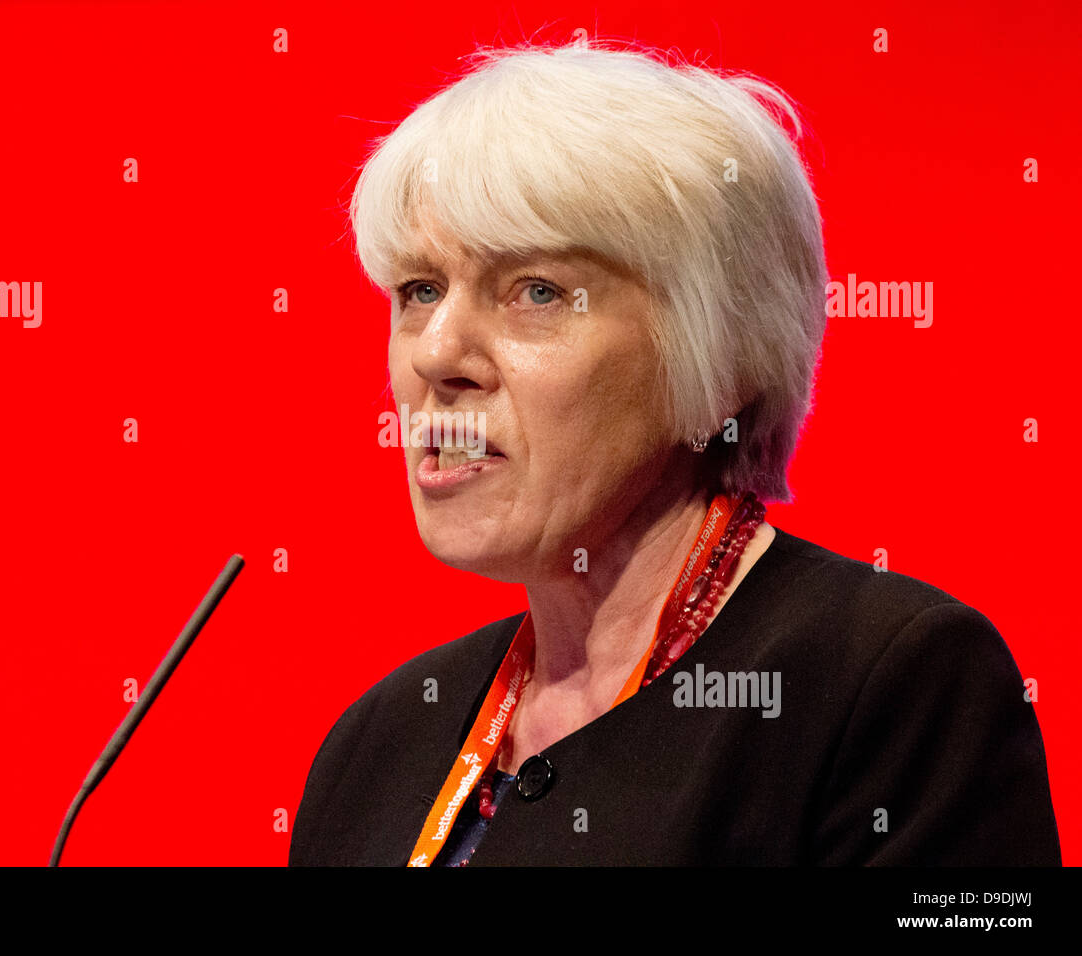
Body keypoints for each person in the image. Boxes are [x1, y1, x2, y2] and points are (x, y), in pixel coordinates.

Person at [288, 41, 1060, 866]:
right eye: (420, 291)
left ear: (719, 360)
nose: (436, 355)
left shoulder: (888, 685)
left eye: (538, 292)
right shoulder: (379, 742)